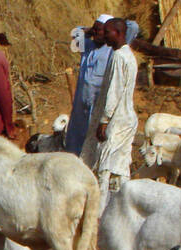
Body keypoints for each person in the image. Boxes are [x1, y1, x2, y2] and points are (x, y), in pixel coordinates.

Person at [82, 17, 138, 208]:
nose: (104, 35)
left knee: (105, 167)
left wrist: (104, 121)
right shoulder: (128, 55)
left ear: (119, 33)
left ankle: (101, 210)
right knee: (119, 166)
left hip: (116, 119)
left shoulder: (119, 57)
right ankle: (121, 206)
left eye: (108, 32)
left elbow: (114, 92)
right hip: (126, 118)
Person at [65, 15, 114, 154]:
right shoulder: (87, 46)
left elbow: (132, 28)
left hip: (97, 106)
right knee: (75, 139)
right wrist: (90, 30)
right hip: (81, 105)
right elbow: (74, 34)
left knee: (93, 142)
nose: (96, 33)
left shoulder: (111, 50)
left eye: (100, 30)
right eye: (95, 29)